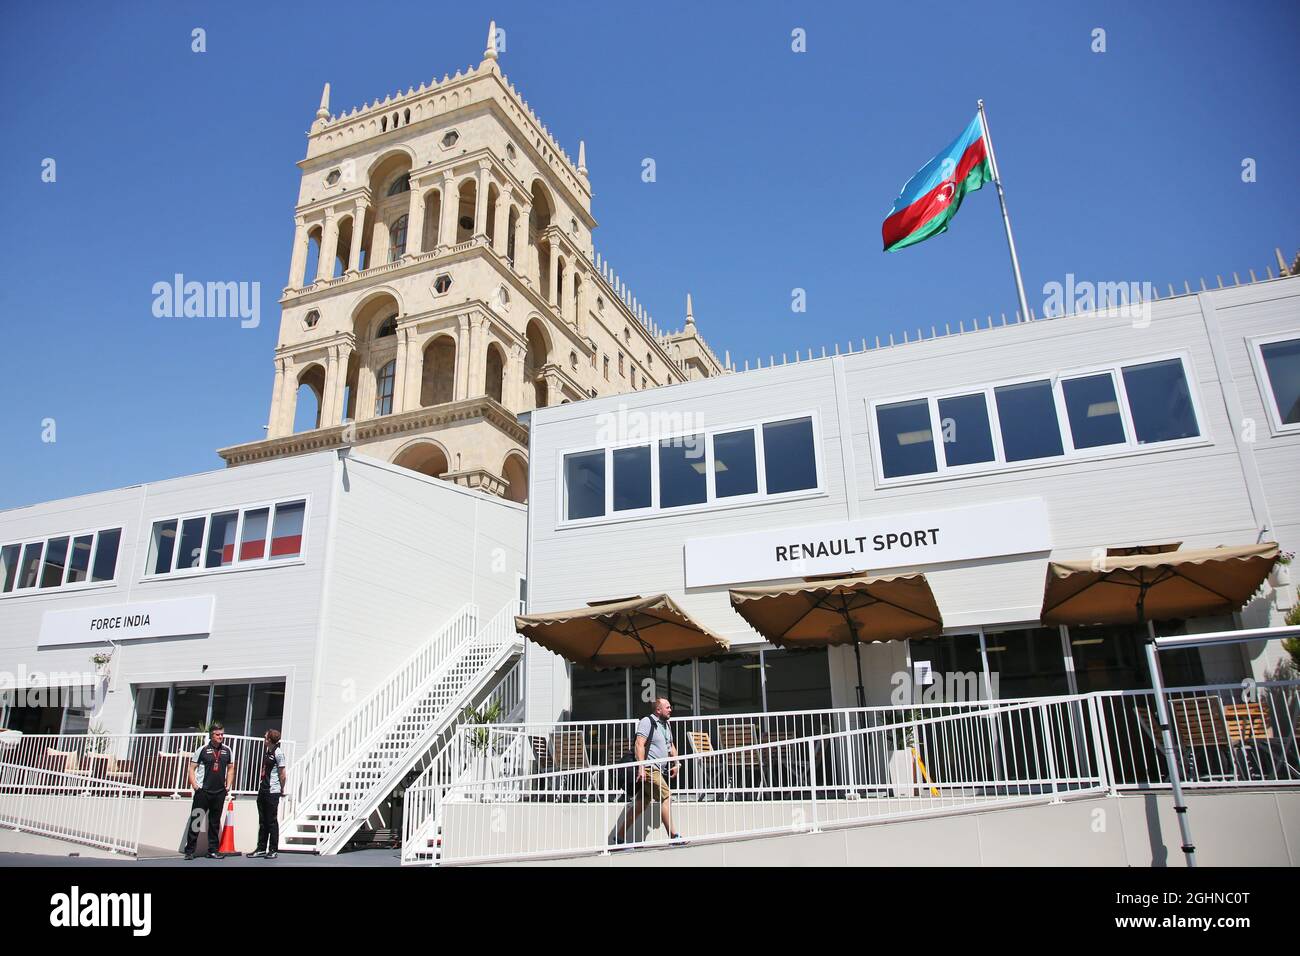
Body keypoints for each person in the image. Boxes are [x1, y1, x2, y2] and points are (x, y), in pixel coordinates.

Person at [612, 696, 683, 845]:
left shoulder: (666, 725)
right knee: (666, 797)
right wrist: (642, 767)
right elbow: (639, 744)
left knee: (640, 805)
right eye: (667, 707)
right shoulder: (647, 721)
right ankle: (674, 837)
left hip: (657, 769)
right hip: (650, 768)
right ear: (658, 709)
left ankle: (619, 837)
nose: (671, 709)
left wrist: (676, 763)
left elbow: (671, 746)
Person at [184, 723, 235, 860]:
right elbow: (191, 768)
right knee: (196, 820)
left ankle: (212, 850)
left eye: (222, 734)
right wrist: (195, 786)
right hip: (203, 792)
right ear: (211, 735)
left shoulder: (227, 750)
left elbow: (231, 768)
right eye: (218, 734)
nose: (220, 737)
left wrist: (228, 786)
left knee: (214, 822)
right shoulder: (202, 749)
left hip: (219, 792)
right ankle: (189, 850)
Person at [247, 728, 287, 859]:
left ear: (270, 739)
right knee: (262, 821)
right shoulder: (267, 751)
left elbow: (282, 774)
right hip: (263, 789)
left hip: (272, 791)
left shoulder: (278, 753)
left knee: (271, 821)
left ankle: (273, 849)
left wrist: (281, 788)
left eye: (265, 737)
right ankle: (261, 848)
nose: (264, 739)